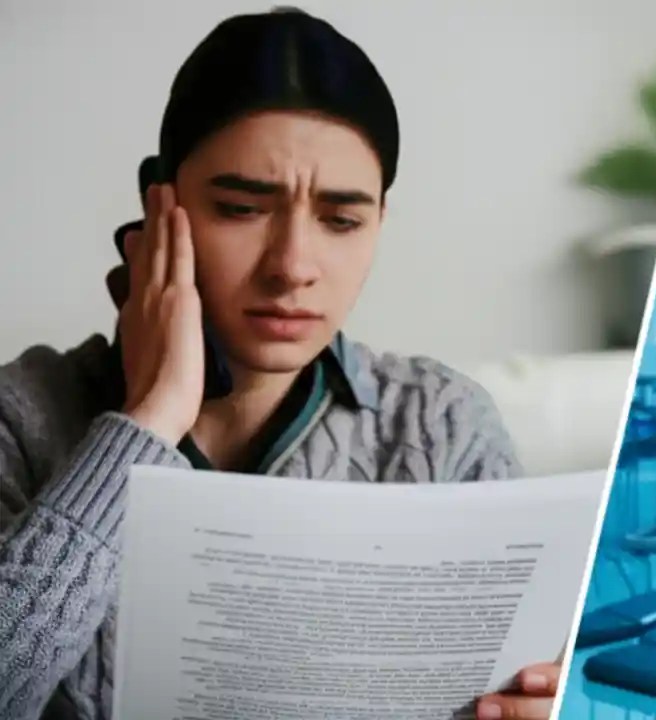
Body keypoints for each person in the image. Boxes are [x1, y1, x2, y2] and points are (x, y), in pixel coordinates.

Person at [0, 9, 562, 720]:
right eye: (240, 208)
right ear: (158, 205)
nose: (293, 267)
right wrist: (147, 423)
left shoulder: (443, 428)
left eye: (342, 221)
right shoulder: (21, 414)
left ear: (381, 222)